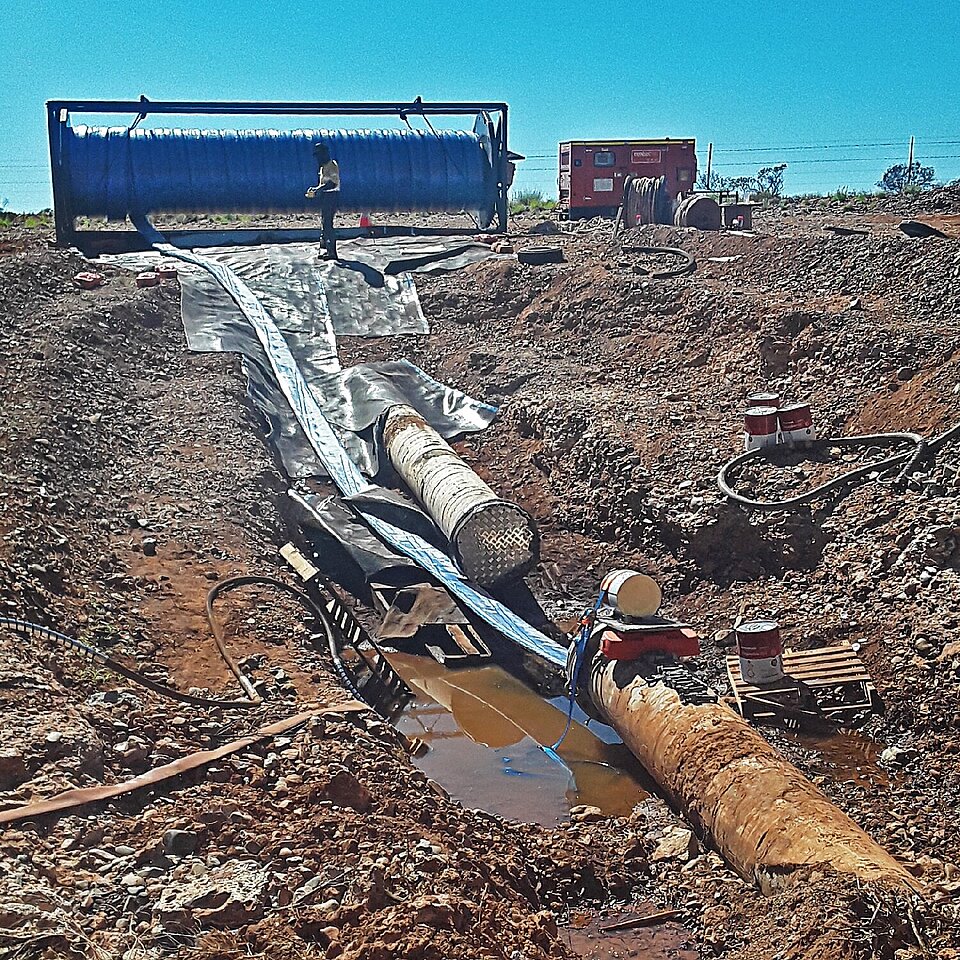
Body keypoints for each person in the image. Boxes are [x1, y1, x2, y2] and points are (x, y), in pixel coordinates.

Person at [305, 141, 340, 260]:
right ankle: (326, 247)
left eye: (319, 155)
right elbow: (324, 183)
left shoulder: (332, 165)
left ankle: (332, 252)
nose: (318, 158)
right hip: (326, 197)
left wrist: (317, 189)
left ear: (325, 154)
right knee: (325, 222)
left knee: (328, 224)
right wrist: (316, 190)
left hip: (332, 196)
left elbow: (332, 183)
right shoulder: (323, 167)